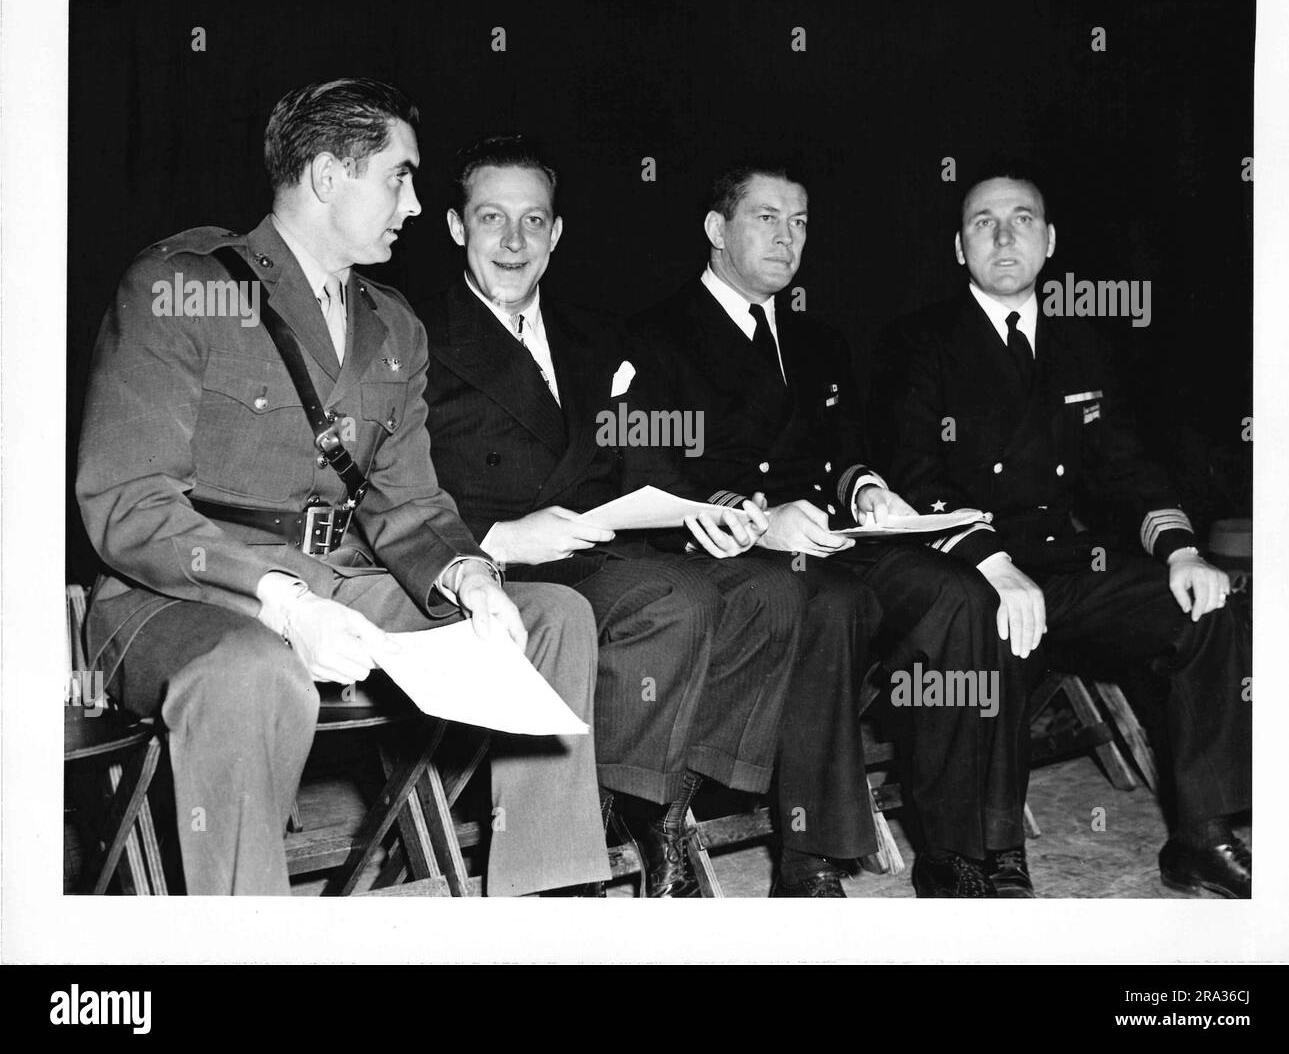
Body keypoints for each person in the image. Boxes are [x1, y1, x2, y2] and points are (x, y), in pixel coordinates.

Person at [76, 79, 609, 897]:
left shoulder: (394, 324)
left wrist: (470, 575)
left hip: (344, 585)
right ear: (328, 175)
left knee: (550, 619)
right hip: (180, 598)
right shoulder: (182, 285)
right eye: (400, 177)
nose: (419, 204)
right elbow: (127, 503)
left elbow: (412, 506)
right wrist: (284, 603)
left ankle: (547, 904)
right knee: (253, 673)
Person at [415, 135, 879, 896]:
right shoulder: (418, 335)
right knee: (680, 600)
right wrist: (492, 538)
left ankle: (653, 793)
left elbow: (639, 457)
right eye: (491, 218)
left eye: (534, 221)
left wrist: (707, 509)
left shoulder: (595, 334)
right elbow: (397, 486)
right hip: (485, 560)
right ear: (457, 227)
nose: (513, 241)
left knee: (773, 593)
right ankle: (644, 807)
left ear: (557, 234)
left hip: (593, 548)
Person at [627, 163, 1024, 897]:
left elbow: (845, 453)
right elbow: (647, 469)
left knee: (960, 596)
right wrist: (759, 520)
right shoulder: (655, 335)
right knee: (827, 605)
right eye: (766, 218)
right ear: (717, 231)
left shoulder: (820, 341)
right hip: (731, 550)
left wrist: (866, 488)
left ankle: (961, 850)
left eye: (800, 222)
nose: (788, 237)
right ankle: (810, 860)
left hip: (835, 543)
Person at [883, 168, 1251, 897]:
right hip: (968, 565)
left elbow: (1125, 466)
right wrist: (994, 564)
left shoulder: (1082, 343)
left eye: (1022, 218)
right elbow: (914, 481)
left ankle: (1203, 833)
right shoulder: (918, 341)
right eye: (983, 222)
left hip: (1066, 566)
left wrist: (1181, 550)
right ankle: (986, 851)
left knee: (1205, 605)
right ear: (959, 248)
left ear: (1050, 241)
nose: (1003, 234)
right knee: (982, 627)